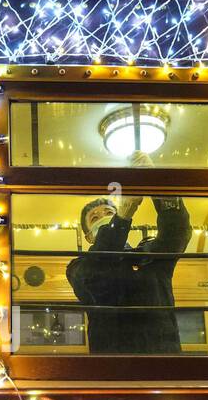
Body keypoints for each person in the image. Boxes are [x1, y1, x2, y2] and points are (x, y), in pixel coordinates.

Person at [66, 151, 192, 354]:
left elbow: (176, 232)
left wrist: (156, 181)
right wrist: (120, 219)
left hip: (164, 362)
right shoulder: (78, 267)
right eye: (94, 217)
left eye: (109, 212)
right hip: (114, 366)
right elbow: (94, 272)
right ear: (89, 237)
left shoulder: (148, 256)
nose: (103, 217)